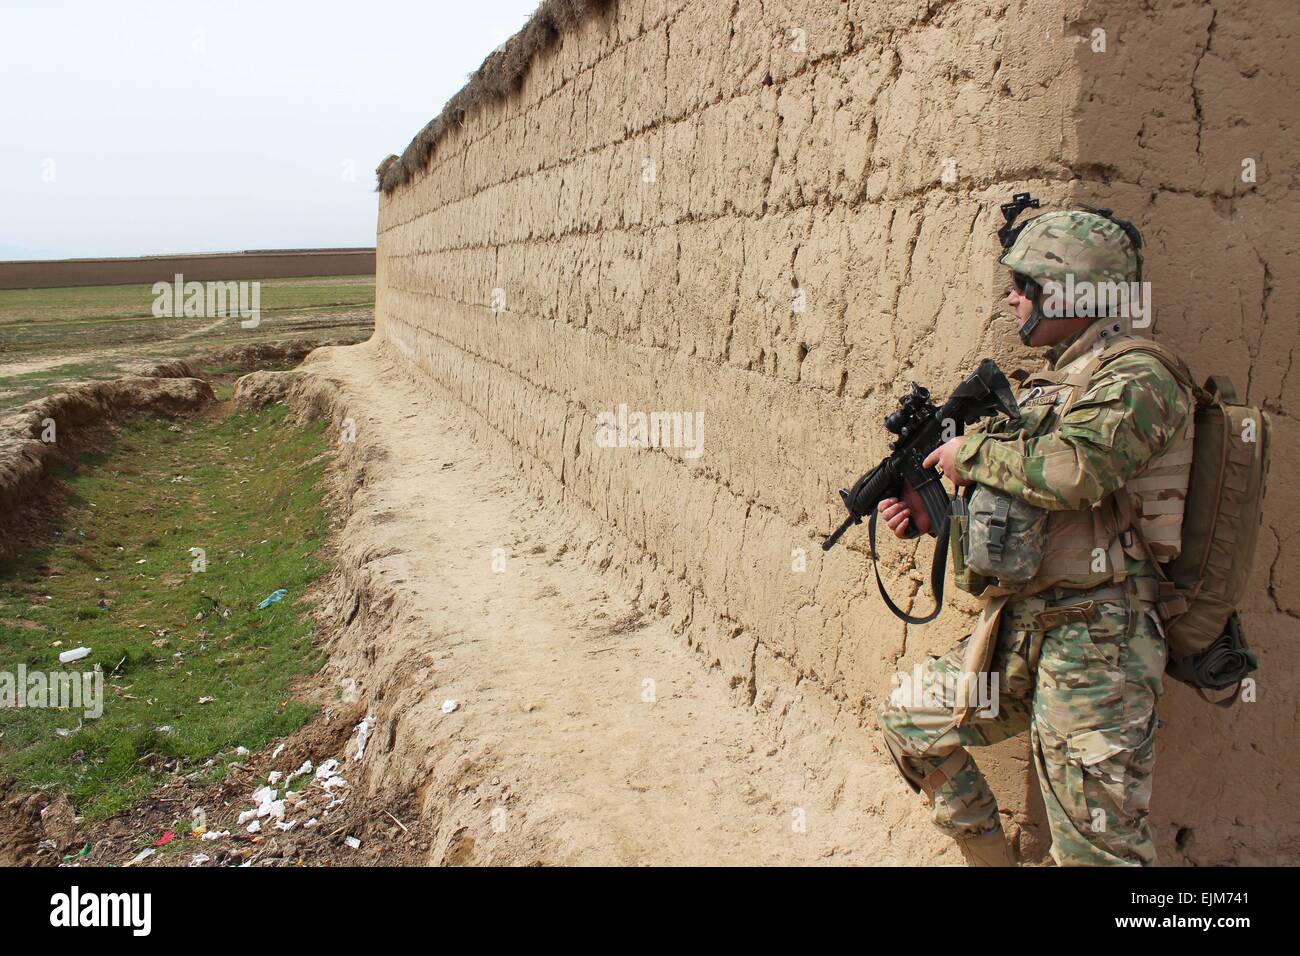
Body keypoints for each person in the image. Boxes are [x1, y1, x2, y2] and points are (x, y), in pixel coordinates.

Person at [875, 206, 1193, 866]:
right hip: (1026, 629)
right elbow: (1040, 510)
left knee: (1097, 851)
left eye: (1026, 281)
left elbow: (1076, 471)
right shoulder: (1058, 385)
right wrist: (939, 514)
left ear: (1073, 289)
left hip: (1100, 646)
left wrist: (973, 456)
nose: (1012, 295)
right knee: (909, 718)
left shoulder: (1141, 376)